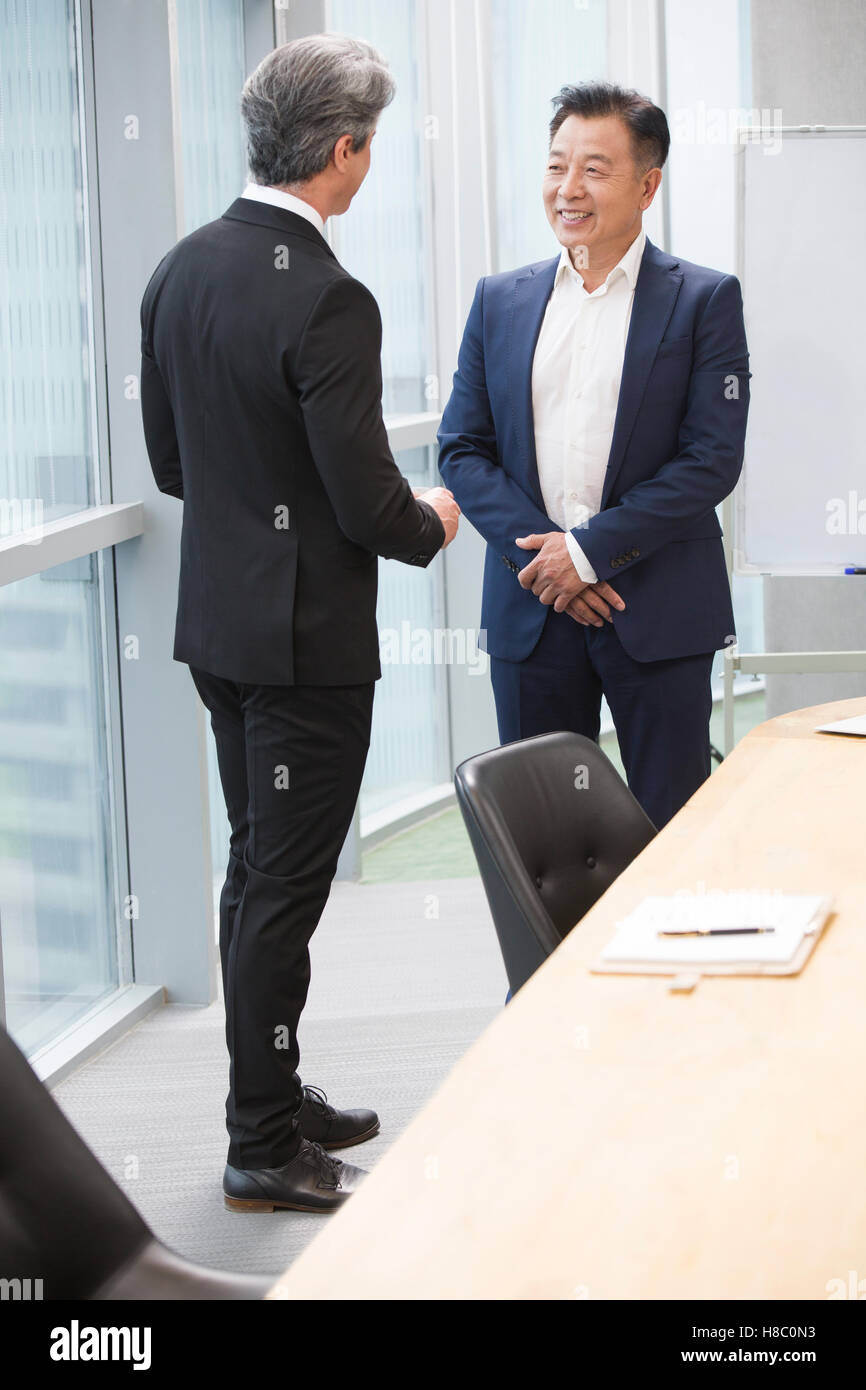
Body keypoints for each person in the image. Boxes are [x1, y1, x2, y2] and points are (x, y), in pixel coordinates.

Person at [139, 35, 459, 1214]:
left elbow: (174, 464)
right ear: (344, 151)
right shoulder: (327, 296)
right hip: (303, 650)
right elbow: (368, 503)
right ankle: (260, 1144)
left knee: (252, 875)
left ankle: (268, 1090)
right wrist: (430, 519)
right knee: (283, 887)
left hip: (218, 636)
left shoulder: (179, 268)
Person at [438, 82, 750, 832]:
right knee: (544, 838)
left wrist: (586, 554)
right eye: (556, 166)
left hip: (660, 611)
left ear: (648, 185)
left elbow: (711, 460)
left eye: (594, 169)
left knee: (670, 832)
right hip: (531, 612)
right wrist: (548, 566)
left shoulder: (704, 300)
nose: (568, 189)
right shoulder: (498, 299)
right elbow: (463, 448)